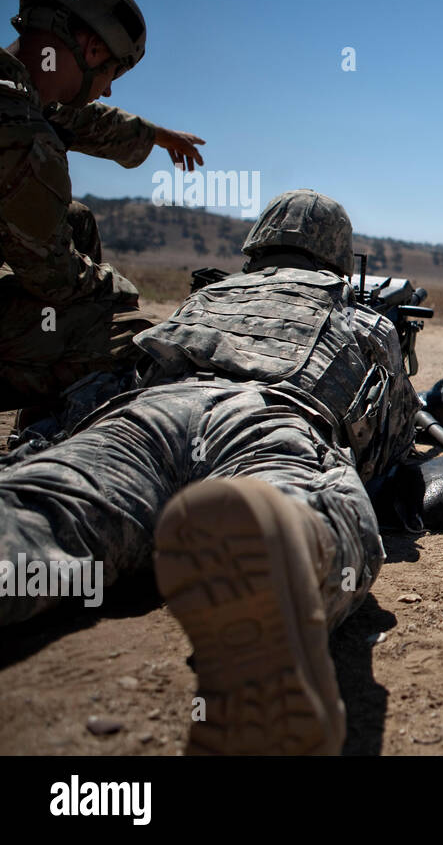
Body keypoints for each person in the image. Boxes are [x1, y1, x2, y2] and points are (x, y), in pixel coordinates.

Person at [0, 190, 420, 755]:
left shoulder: (208, 297)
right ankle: (284, 554)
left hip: (150, 413)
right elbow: (387, 451)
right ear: (339, 258)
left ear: (258, 246)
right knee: (307, 509)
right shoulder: (364, 321)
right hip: (272, 419)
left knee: (46, 506)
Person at [0, 0, 206, 413]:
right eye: (111, 72)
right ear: (91, 48)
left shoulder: (16, 91)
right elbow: (54, 278)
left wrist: (155, 135)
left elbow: (84, 120)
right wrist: (118, 291)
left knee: (75, 220)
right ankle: (52, 457)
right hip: (48, 277)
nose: (108, 89)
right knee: (132, 339)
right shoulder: (22, 135)